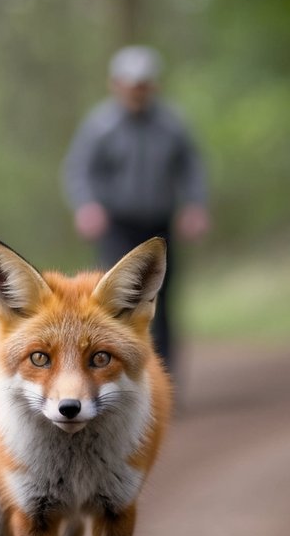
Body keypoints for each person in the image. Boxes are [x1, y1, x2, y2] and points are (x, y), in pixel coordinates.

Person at [62, 45, 209, 380]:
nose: (137, 92)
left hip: (159, 224)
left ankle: (164, 382)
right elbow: (78, 170)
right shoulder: (100, 126)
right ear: (116, 85)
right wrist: (87, 205)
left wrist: (195, 205)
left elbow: (191, 166)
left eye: (143, 85)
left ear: (153, 86)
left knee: (160, 302)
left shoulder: (172, 125)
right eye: (130, 86)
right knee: (115, 303)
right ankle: (115, 378)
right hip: (117, 225)